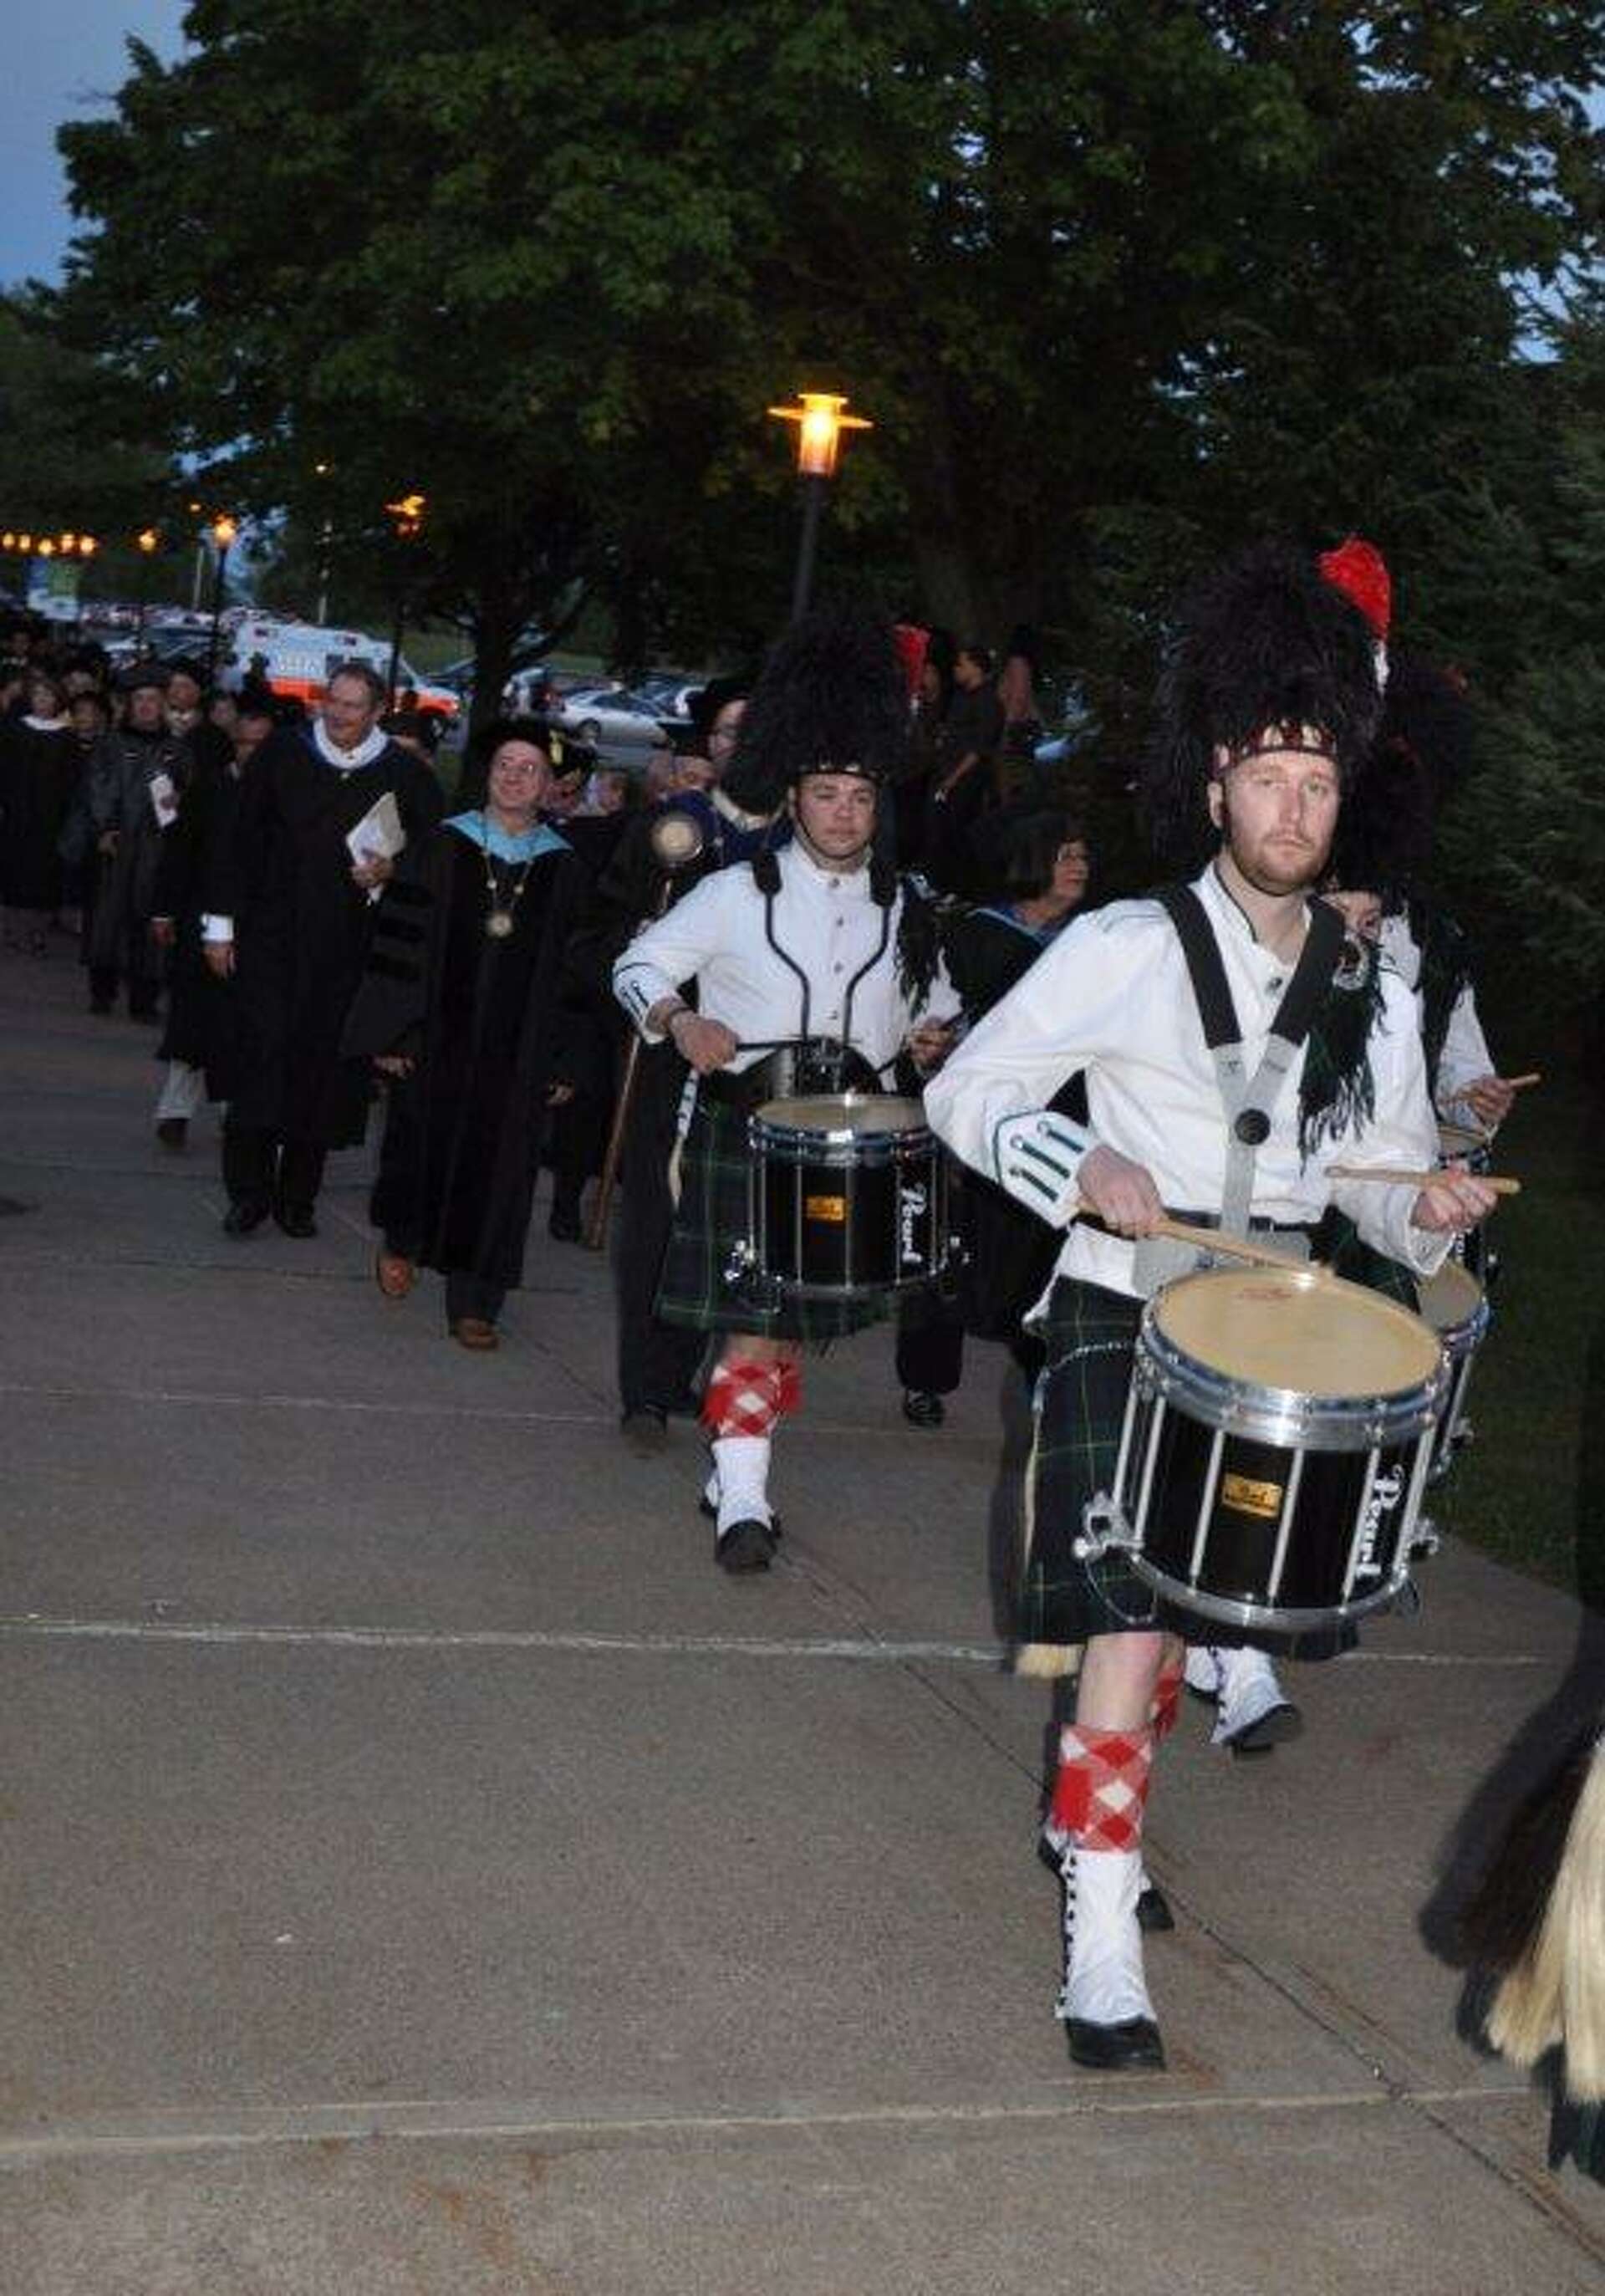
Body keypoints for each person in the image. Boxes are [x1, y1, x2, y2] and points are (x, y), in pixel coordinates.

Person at [925, 541, 1499, 2070]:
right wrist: (1076, 1153)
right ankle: (1102, 1934)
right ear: (1213, 790)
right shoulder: (1121, 948)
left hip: (1272, 1326)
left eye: (1320, 785)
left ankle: (1090, 1820)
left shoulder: (1371, 984)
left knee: (1188, 1611)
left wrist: (1419, 1193)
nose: (1296, 813)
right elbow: (964, 1089)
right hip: (1125, 1303)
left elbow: (1369, 1169)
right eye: (1269, 782)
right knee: (1125, 1621)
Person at [613, 610, 960, 1566]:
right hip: (745, 1129)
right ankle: (747, 1507)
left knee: (787, 1332)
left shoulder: (910, 906)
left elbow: (942, 1007)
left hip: (855, 1139)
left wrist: (936, 1038)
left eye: (858, 795)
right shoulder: (733, 890)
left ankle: (733, 1462)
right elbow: (636, 968)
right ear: (794, 799)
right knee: (753, 1327)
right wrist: (680, 1021)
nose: (843, 812)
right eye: (825, 794)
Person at [343, 720, 590, 1348]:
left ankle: (478, 1298)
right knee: (419, 1144)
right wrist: (396, 1035)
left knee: (505, 1168)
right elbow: (399, 942)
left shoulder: (563, 869)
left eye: (528, 769)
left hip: (519, 1052)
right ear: (488, 773)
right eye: (505, 764)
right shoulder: (441, 845)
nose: (513, 776)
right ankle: (403, 1239)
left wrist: (563, 1058)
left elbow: (574, 972)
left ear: (548, 786)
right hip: (437, 1037)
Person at [202, 659, 442, 1236]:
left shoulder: (402, 774)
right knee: (260, 1062)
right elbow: (234, 840)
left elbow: (436, 856)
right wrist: (218, 927)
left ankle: (298, 1196)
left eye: (353, 705)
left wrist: (391, 870)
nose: (338, 714)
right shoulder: (283, 754)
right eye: (332, 701)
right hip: (269, 940)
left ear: (378, 711)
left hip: (346, 951)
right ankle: (248, 1192)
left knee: (322, 1072)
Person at [590, 676, 768, 1450]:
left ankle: (692, 1367)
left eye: (756, 733)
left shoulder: (805, 839)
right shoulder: (676, 828)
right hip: (671, 1053)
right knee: (659, 1222)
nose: (742, 747)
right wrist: (658, 980)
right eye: (729, 734)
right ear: (711, 746)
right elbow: (602, 938)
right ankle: (647, 1388)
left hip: (762, 1064)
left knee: (732, 1226)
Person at [148, 682, 279, 1147]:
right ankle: (175, 1110)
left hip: (256, 928)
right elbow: (179, 852)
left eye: (260, 745)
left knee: (239, 1025)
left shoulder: (284, 798)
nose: (250, 753)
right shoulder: (211, 787)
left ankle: (234, 1113)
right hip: (201, 920)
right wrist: (164, 910)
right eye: (243, 743)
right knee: (193, 1020)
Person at [84, 662, 192, 1018]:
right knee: (107, 921)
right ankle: (102, 992)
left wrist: (182, 801)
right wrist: (106, 828)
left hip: (158, 847)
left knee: (151, 922)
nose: (146, 705)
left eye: (153, 699)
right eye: (139, 699)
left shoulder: (178, 749)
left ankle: (144, 999)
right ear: (129, 704)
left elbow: (190, 793)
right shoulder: (110, 744)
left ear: (163, 704)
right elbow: (98, 788)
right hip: (118, 843)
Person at [0, 663, 79, 954]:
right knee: (15, 869)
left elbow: (72, 779)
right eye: (38, 695)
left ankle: (36, 931)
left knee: (44, 874)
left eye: (48, 695)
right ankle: (14, 926)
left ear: (58, 700)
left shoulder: (66, 736)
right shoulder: (15, 729)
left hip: (51, 816)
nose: (43, 700)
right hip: (17, 811)